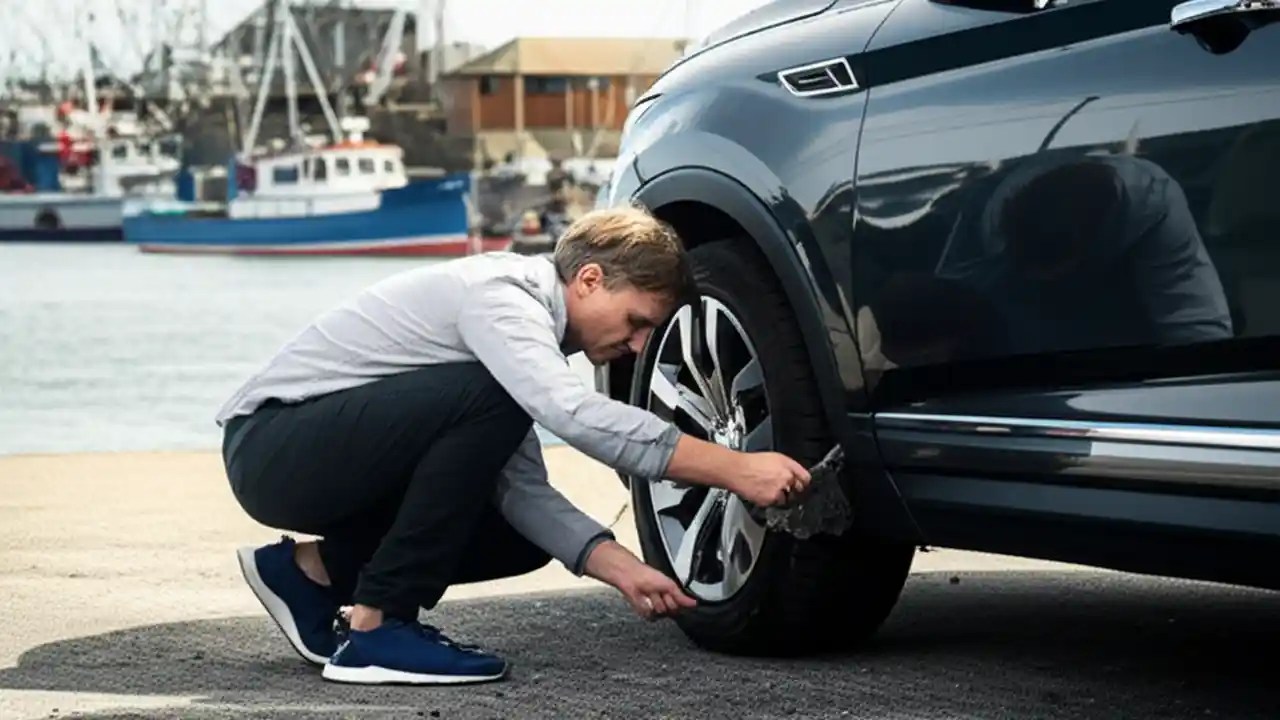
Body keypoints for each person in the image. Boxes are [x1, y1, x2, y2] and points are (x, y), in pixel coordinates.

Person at [217, 205, 812, 686]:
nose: (637, 346)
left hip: (311, 454)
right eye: (636, 321)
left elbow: (519, 486)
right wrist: (732, 468)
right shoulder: (503, 296)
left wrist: (624, 568)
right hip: (273, 445)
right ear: (589, 279)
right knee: (493, 398)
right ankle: (377, 629)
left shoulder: (522, 336)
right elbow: (570, 412)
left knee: (519, 536)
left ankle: (307, 574)